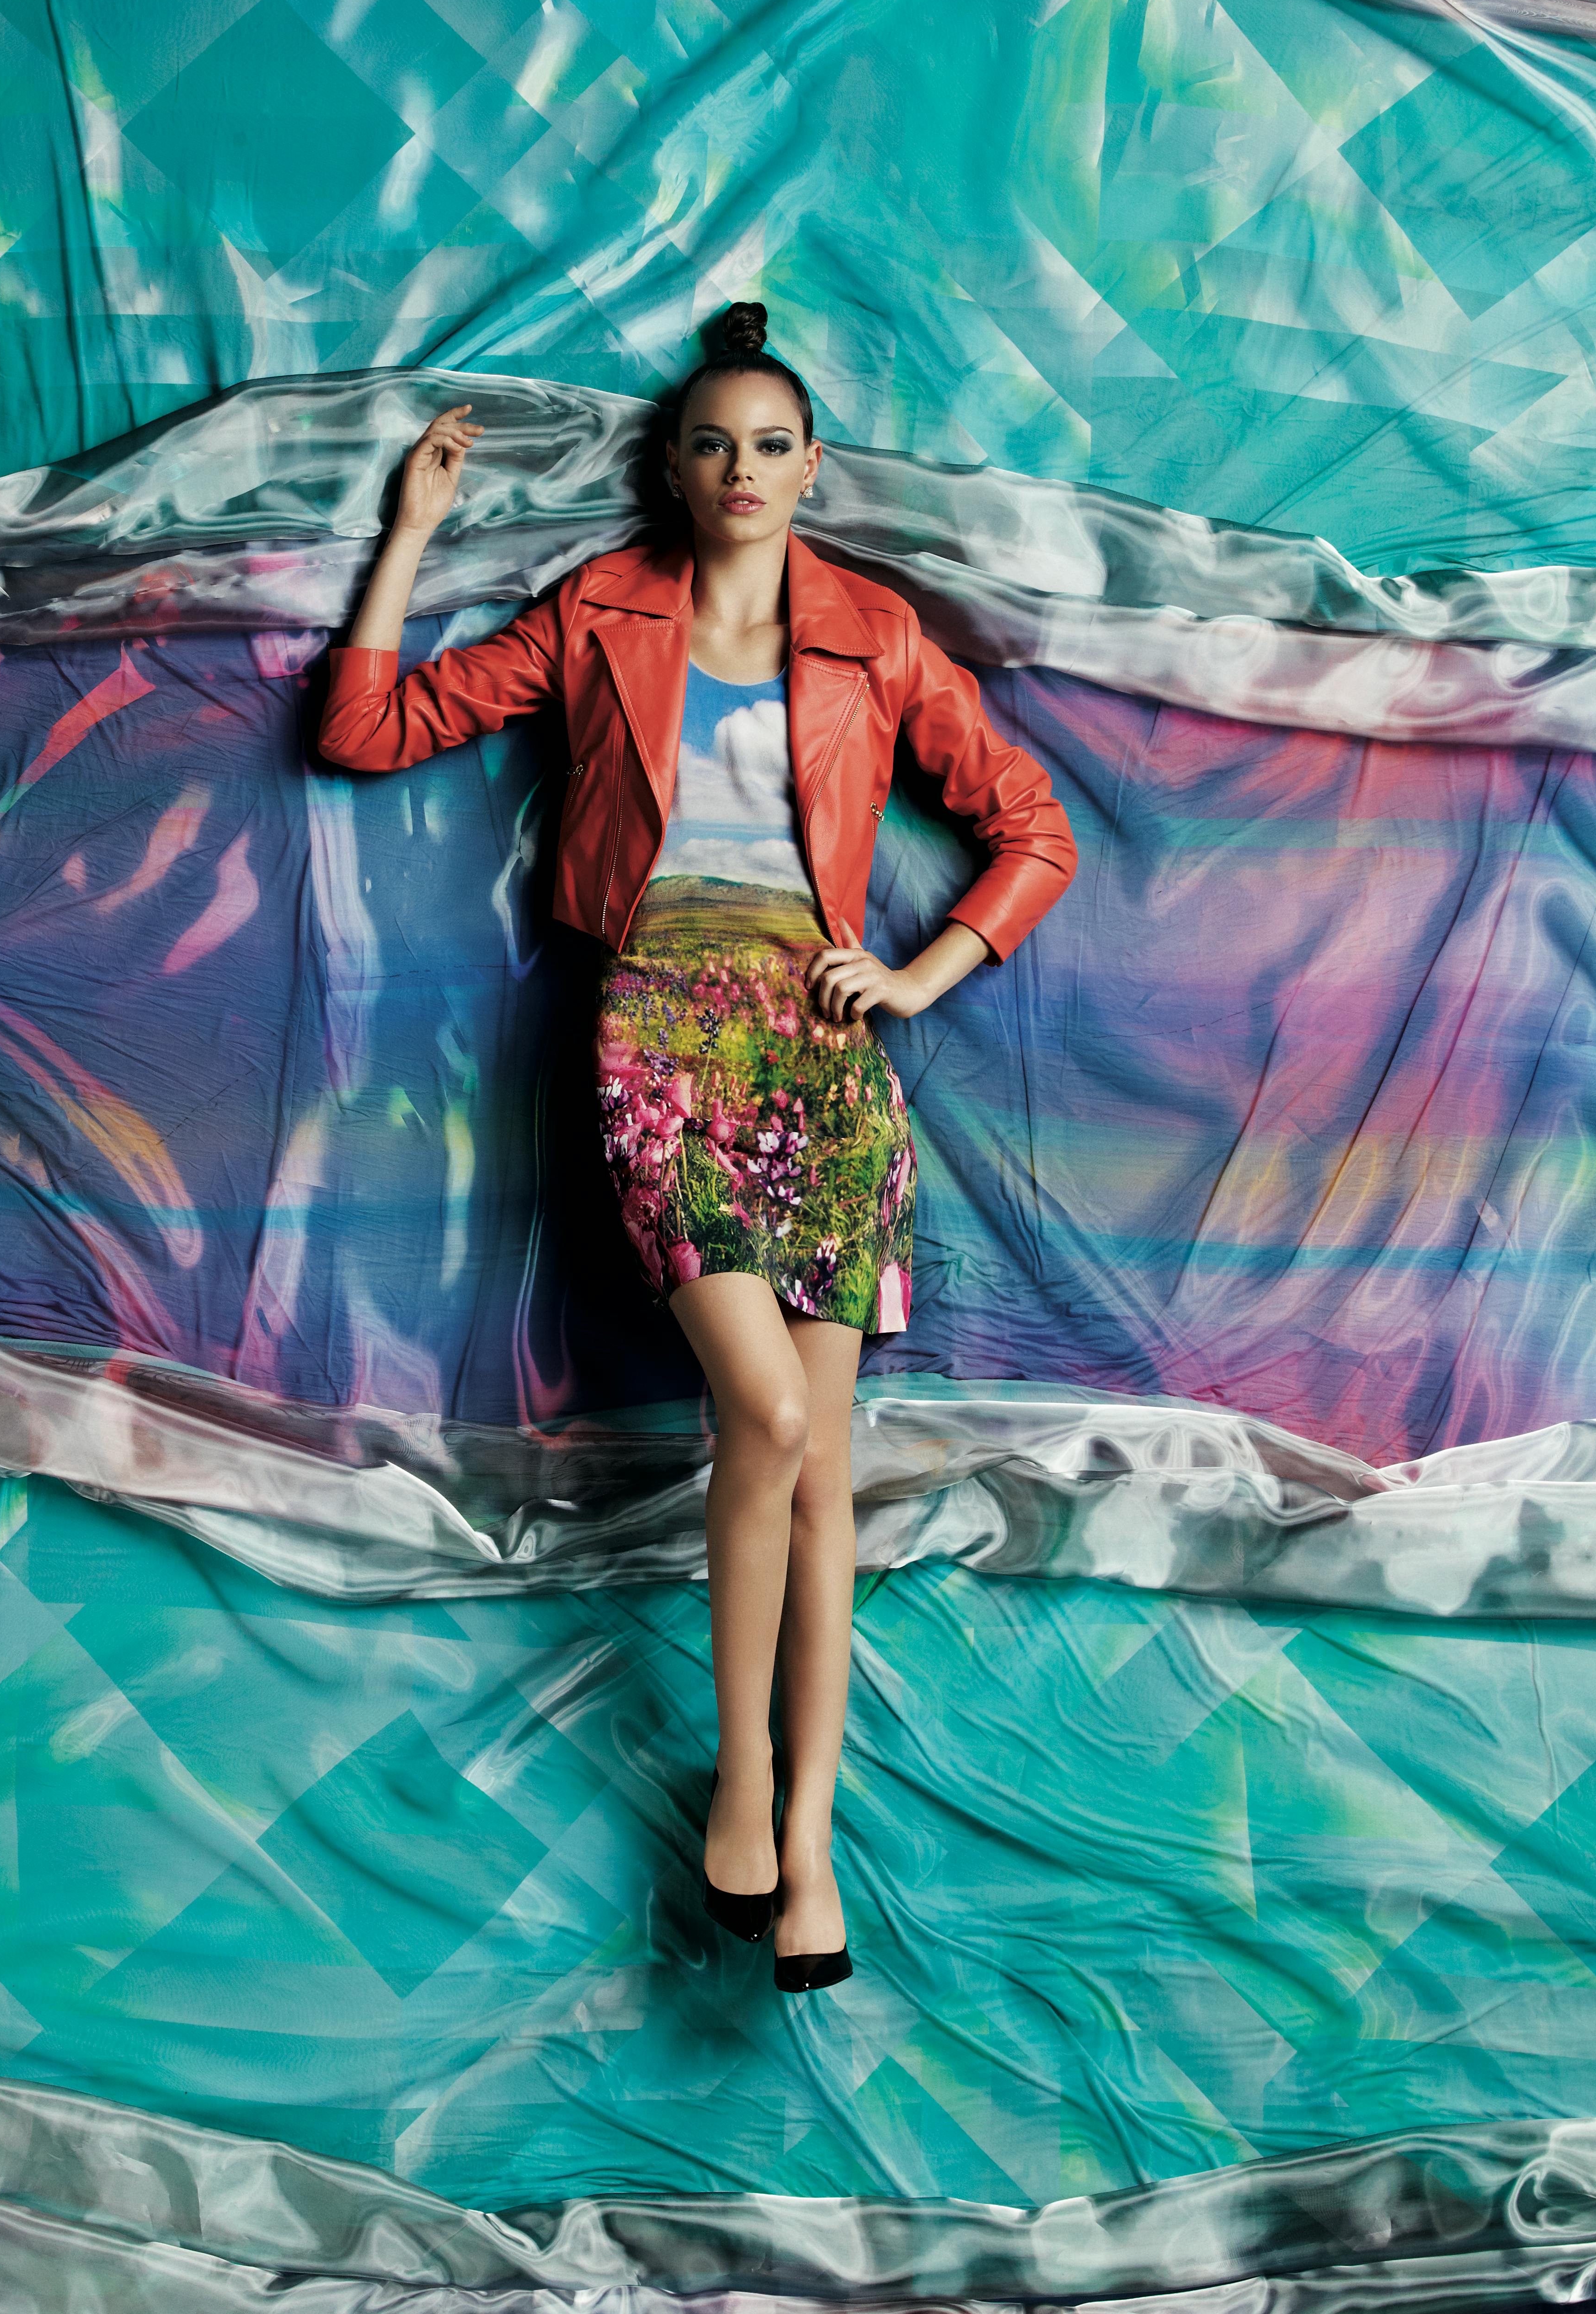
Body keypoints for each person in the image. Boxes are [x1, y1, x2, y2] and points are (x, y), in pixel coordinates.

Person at [318, 305, 1075, 1992]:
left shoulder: (875, 635)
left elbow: (1032, 828)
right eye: (711, 444)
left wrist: (916, 974)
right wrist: (411, 539)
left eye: (771, 444)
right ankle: (735, 1776)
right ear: (673, 467)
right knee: (770, 1412)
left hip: (826, 1052)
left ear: (814, 469)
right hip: (656, 1021)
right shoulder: (597, 612)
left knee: (822, 1470)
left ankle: (806, 1848)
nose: (740, 470)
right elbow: (364, 734)